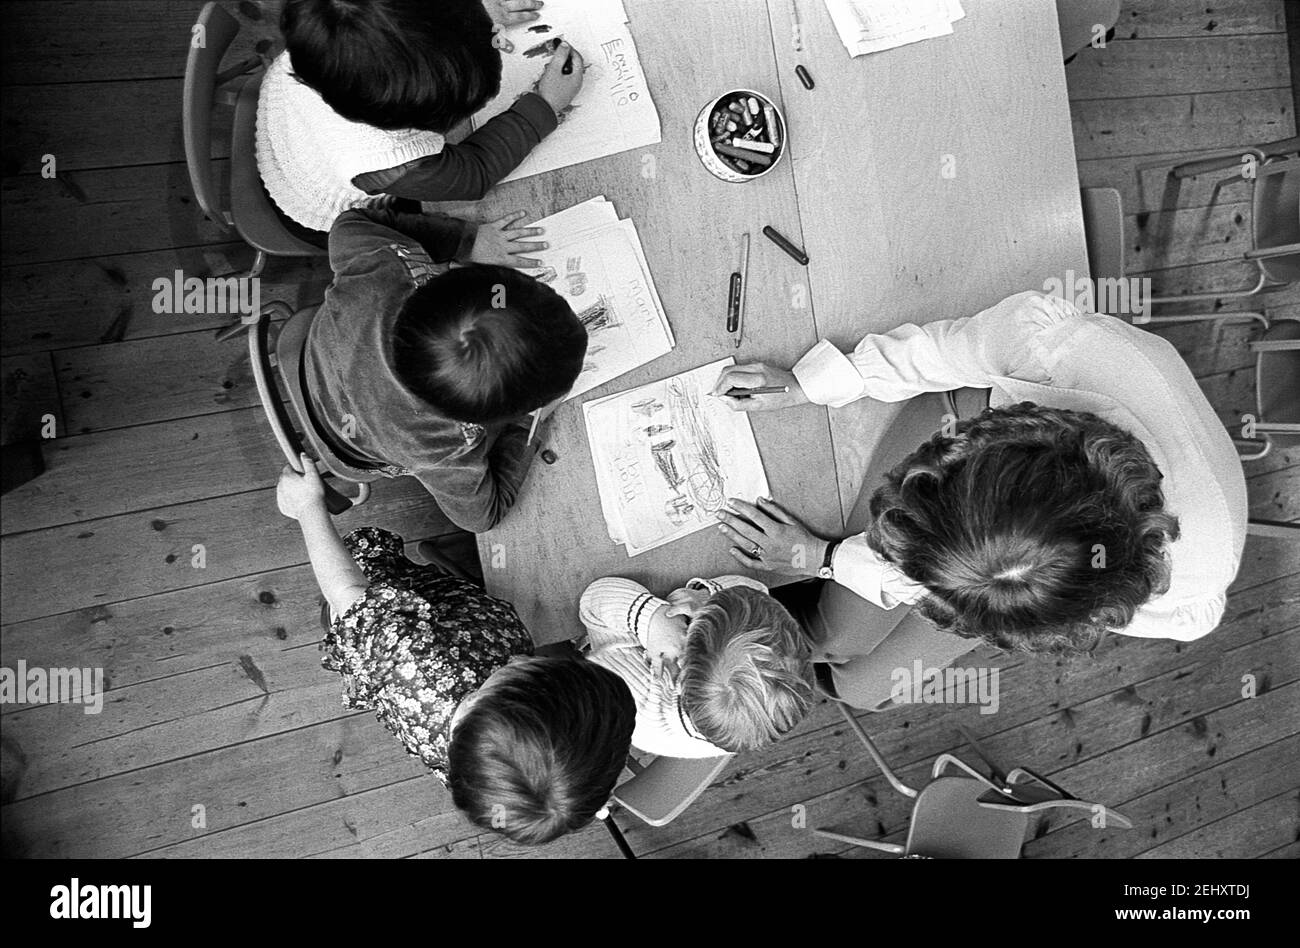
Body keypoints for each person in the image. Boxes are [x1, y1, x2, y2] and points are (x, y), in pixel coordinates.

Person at [709, 291, 1247, 708]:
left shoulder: (1195, 572)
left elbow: (1196, 618)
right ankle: (809, 634)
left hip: (1028, 593)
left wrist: (823, 559)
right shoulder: (1051, 348)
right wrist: (815, 384)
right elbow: (944, 351)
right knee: (832, 634)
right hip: (977, 422)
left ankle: (807, 643)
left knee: (864, 688)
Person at [276, 458, 636, 846]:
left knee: (361, 594)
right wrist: (583, 786)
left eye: (518, 670)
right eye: (534, 664)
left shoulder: (411, 662)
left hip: (381, 617)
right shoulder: (490, 765)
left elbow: (348, 594)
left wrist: (308, 507)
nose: (517, 658)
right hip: (459, 623)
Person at [303, 202, 587, 532]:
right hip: (353, 447)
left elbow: (349, 221)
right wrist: (528, 423)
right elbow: (481, 518)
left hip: (318, 363)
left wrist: (467, 241)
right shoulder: (442, 443)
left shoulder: (387, 263)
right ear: (481, 421)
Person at [257, 0, 585, 233]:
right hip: (324, 211)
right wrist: (544, 104)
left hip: (286, 126)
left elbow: (408, 23)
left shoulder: (333, 36)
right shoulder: (389, 162)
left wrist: (472, 15)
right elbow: (476, 172)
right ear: (413, 122)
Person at [579, 575, 815, 757]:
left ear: (678, 668)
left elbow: (595, 599)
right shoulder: (738, 718)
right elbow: (756, 589)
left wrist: (653, 617)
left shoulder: (634, 696)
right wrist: (706, 598)